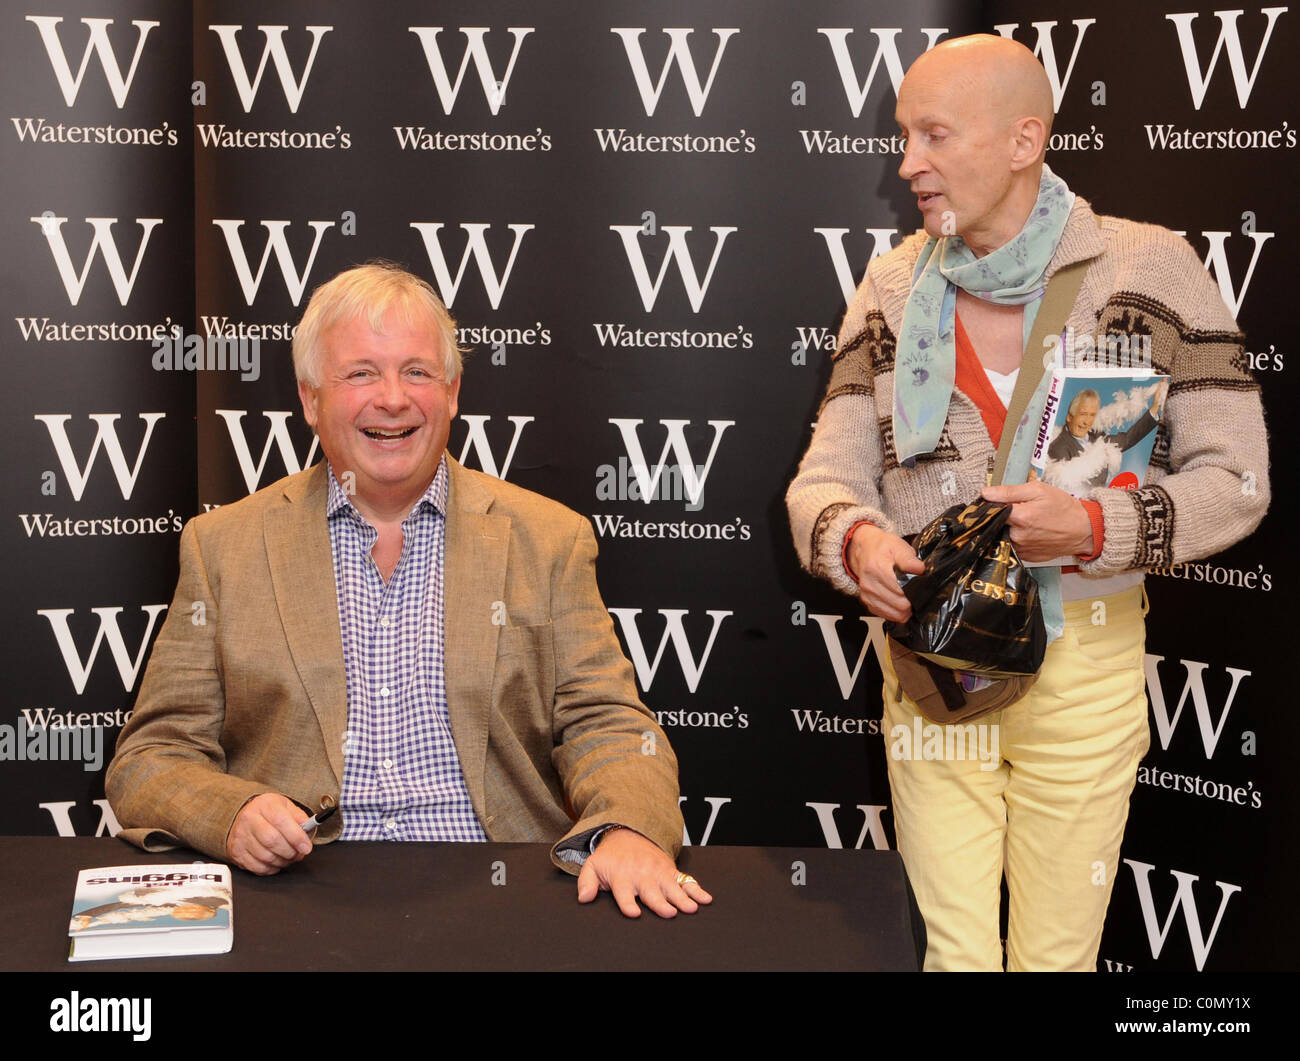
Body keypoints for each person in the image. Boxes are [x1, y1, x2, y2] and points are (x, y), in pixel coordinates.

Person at [786, 35, 1267, 970]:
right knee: (952, 956)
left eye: (932, 135)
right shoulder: (891, 286)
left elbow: (1236, 477)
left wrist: (1096, 525)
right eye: (903, 135)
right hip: (932, 665)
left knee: (1058, 959)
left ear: (1023, 139)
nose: (906, 164)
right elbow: (826, 477)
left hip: (1084, 668)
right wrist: (854, 541)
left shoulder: (1150, 268)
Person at [108, 262, 711, 920]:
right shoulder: (222, 546)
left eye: (417, 372)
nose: (392, 398)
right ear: (311, 399)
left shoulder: (548, 539)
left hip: (501, 890)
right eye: (360, 373)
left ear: (452, 392)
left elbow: (612, 725)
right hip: (297, 899)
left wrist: (628, 825)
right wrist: (234, 814)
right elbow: (149, 758)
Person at [1043, 386, 1161, 493]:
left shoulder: (1096, 436)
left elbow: (1127, 439)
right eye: (1083, 414)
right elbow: (1064, 491)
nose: (1086, 421)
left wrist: (1154, 408)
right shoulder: (1058, 448)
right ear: (1069, 417)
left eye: (1092, 415)